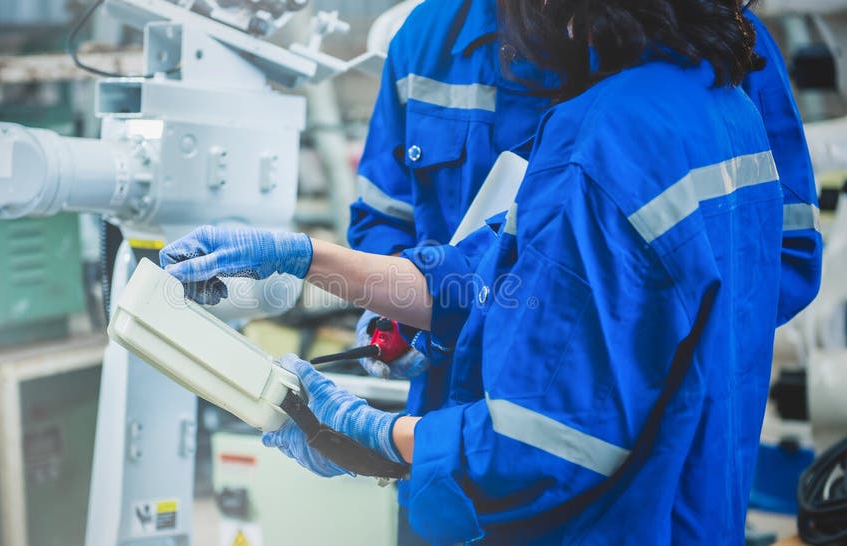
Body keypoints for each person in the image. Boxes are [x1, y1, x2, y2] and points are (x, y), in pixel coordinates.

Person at [161, 1, 819, 544]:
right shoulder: (707, 91)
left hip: (596, 516)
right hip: (685, 503)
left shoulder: (602, 142)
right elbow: (496, 278)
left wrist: (367, 433)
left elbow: (537, 447)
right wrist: (308, 260)